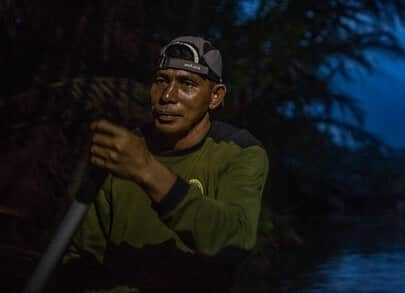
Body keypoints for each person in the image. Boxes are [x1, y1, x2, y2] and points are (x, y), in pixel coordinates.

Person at [54, 36, 269, 292]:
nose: (167, 95)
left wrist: (147, 171)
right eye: (161, 81)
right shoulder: (123, 151)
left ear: (214, 96)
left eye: (187, 83)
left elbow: (235, 240)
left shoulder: (239, 152)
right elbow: (82, 254)